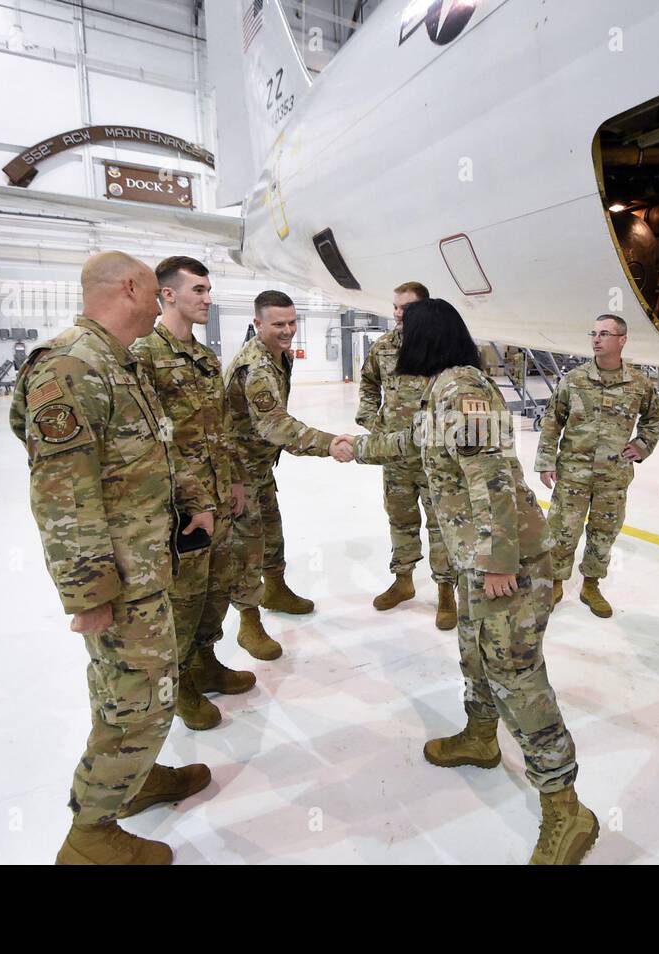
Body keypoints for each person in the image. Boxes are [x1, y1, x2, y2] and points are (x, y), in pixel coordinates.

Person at [334, 299, 598, 865]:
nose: (398, 337)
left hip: (509, 563)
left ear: (428, 335)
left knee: (517, 677)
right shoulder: (441, 389)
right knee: (476, 655)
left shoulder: (463, 390)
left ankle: (566, 807)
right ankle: (481, 738)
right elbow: (414, 443)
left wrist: (499, 561)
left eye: (406, 328)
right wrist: (356, 447)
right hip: (477, 559)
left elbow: (494, 480)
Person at [9, 251, 213, 864]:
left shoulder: (116, 362)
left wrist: (190, 501)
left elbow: (150, 451)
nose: (160, 304)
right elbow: (62, 494)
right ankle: (90, 836)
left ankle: (134, 779)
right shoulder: (72, 364)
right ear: (130, 287)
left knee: (128, 692)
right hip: (119, 581)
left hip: (146, 568)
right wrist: (90, 594)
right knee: (139, 702)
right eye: (155, 292)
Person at [130, 256, 256, 731]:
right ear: (168, 294)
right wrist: (191, 499)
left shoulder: (205, 358)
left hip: (220, 497)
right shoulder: (143, 354)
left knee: (216, 587)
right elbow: (148, 439)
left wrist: (238, 480)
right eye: (198, 290)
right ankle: (179, 682)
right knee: (182, 598)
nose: (207, 299)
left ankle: (204, 660)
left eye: (208, 291)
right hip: (180, 508)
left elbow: (225, 429)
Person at [224, 290, 347, 646]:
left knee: (272, 535)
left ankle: (275, 591)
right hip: (238, 471)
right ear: (257, 324)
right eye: (278, 324)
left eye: (292, 322)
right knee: (246, 547)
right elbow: (274, 424)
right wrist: (329, 443)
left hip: (259, 465)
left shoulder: (280, 357)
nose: (288, 330)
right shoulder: (257, 366)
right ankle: (249, 622)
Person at [536, 314, 659, 617]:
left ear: (622, 340)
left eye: (604, 334)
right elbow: (552, 421)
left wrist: (642, 445)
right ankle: (555, 582)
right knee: (561, 530)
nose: (596, 339)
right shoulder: (575, 380)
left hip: (614, 475)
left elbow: (654, 418)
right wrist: (545, 461)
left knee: (604, 532)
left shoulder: (639, 384)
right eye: (593, 333)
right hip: (573, 473)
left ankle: (591, 585)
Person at [356, 281, 456, 630]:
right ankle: (404, 580)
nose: (398, 314)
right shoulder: (384, 347)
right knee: (400, 518)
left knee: (441, 525)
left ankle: (446, 590)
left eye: (406, 308)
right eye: (395, 307)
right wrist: (372, 421)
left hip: (436, 459)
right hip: (394, 456)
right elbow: (368, 384)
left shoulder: (444, 349)